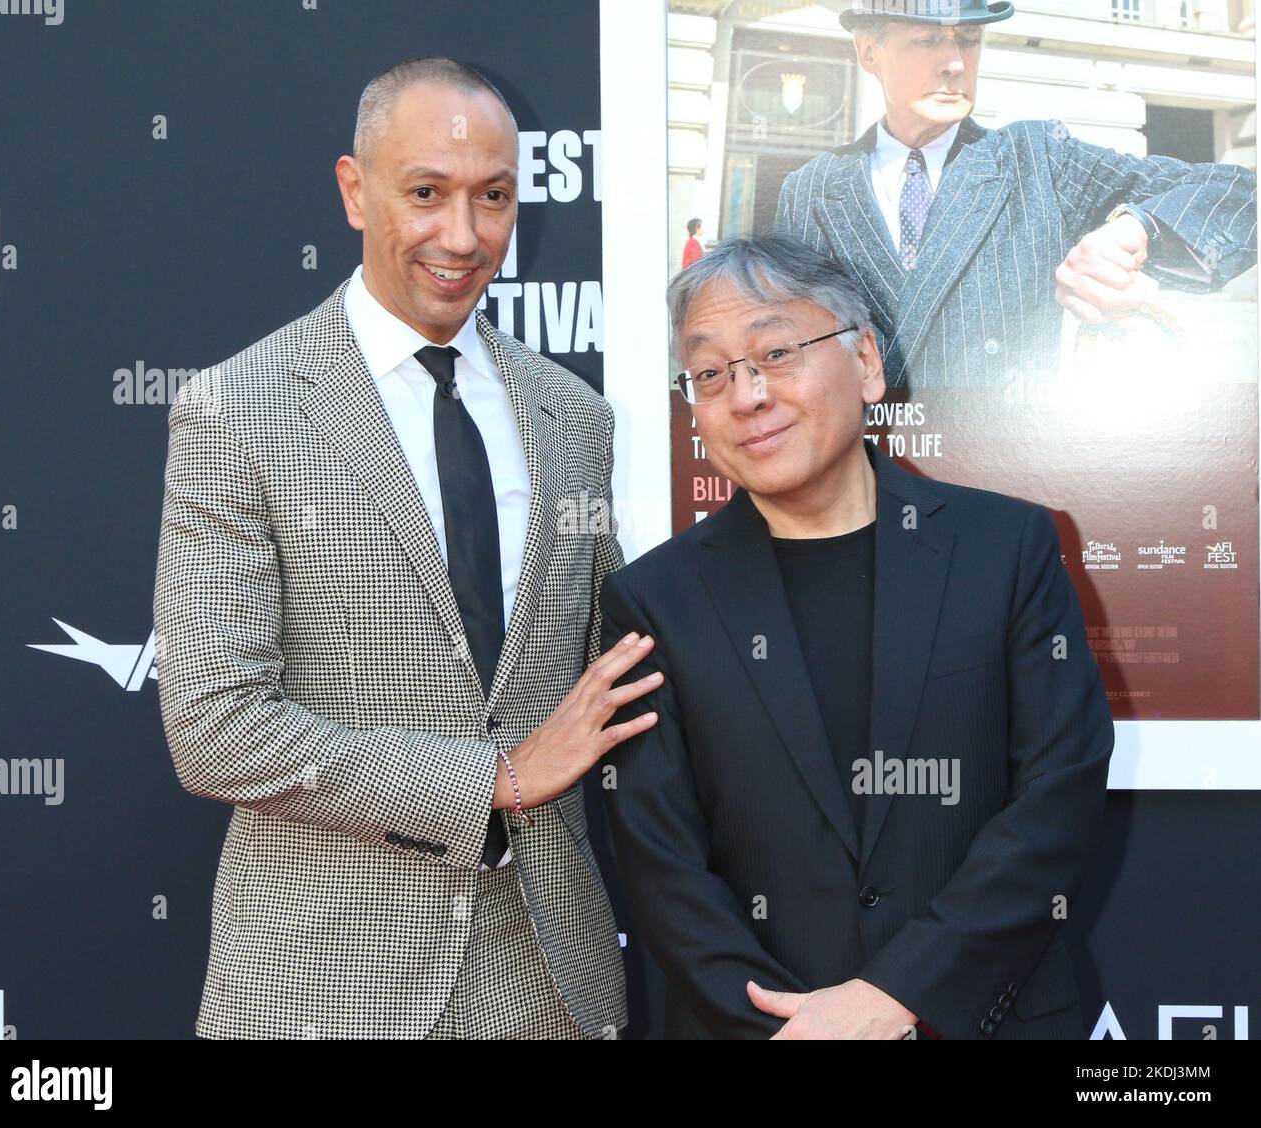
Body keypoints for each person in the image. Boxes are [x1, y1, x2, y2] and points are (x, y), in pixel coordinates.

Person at [153, 56, 660, 1040]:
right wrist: (491, 783)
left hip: (549, 982)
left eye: (493, 196)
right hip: (324, 987)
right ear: (355, 190)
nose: (463, 236)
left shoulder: (574, 418)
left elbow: (614, 664)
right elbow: (215, 727)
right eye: (426, 193)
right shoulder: (237, 412)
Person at [598, 232, 1115, 1039]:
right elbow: (661, 863)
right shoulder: (655, 600)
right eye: (710, 374)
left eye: (776, 353)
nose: (747, 395)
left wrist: (897, 995)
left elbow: (1058, 796)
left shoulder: (1005, 550)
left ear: (867, 362)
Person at [776, 0, 1257, 386]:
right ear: (869, 52)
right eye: (926, 40)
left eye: (969, 40)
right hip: (867, 466)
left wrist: (1136, 228)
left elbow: (1239, 193)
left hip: (999, 463)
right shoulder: (812, 188)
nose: (955, 62)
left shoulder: (1038, 158)